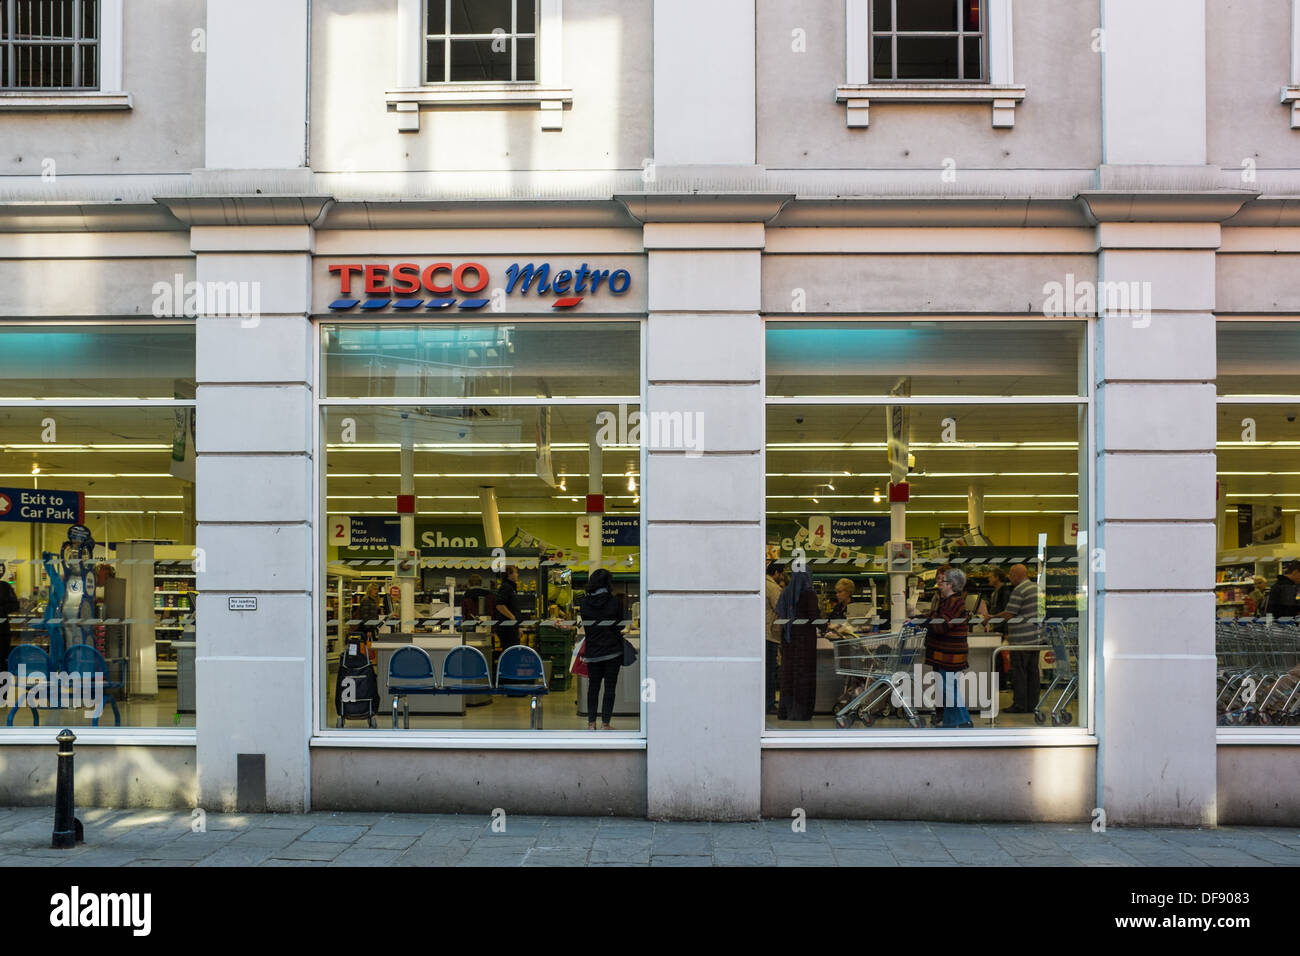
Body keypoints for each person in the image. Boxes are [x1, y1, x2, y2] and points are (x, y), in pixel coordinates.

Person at [987, 563, 1040, 714]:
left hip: (1021, 639)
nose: (1009, 577)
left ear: (1016, 575)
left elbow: (1009, 613)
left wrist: (991, 618)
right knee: (1032, 673)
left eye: (1011, 574)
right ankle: (1033, 704)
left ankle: (1020, 705)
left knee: (1019, 673)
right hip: (1035, 638)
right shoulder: (1036, 588)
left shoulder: (1019, 590)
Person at [925, 566, 972, 727]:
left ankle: (964, 720)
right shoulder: (948, 601)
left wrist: (924, 623)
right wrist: (919, 619)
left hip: (949, 653)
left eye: (942, 581)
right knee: (947, 687)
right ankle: (951, 722)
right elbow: (935, 618)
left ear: (951, 584)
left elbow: (942, 625)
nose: (939, 584)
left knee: (948, 688)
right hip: (945, 653)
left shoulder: (954, 602)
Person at [581, 567, 625, 730]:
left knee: (593, 687)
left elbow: (587, 627)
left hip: (593, 650)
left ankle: (591, 723)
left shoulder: (583, 602)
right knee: (610, 687)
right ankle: (606, 723)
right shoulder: (615, 601)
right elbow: (619, 625)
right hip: (612, 650)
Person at [775, 570, 820, 721]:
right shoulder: (809, 594)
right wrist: (828, 628)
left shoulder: (786, 592)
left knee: (788, 675)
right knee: (803, 676)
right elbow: (814, 616)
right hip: (805, 641)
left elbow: (780, 612)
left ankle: (785, 712)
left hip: (788, 641)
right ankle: (801, 713)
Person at [764, 562, 787, 715]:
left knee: (767, 671)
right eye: (782, 573)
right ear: (777, 573)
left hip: (765, 633)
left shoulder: (763, 583)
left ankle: (766, 703)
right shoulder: (772, 587)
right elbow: (780, 608)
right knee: (770, 672)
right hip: (770, 634)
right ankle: (769, 704)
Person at [493, 565, 523, 663]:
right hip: (507, 628)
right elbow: (499, 605)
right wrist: (512, 618)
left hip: (511, 627)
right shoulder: (506, 587)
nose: (517, 574)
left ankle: (510, 673)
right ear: (509, 575)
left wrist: (517, 626)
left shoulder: (511, 587)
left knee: (512, 652)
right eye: (515, 572)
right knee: (510, 653)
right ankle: (508, 675)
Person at [0, 565, 17, 671]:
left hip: (2, 631)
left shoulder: (5, 586)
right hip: (3, 630)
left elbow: (15, 605)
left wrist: (2, 609)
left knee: (2, 660)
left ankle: (3, 685)